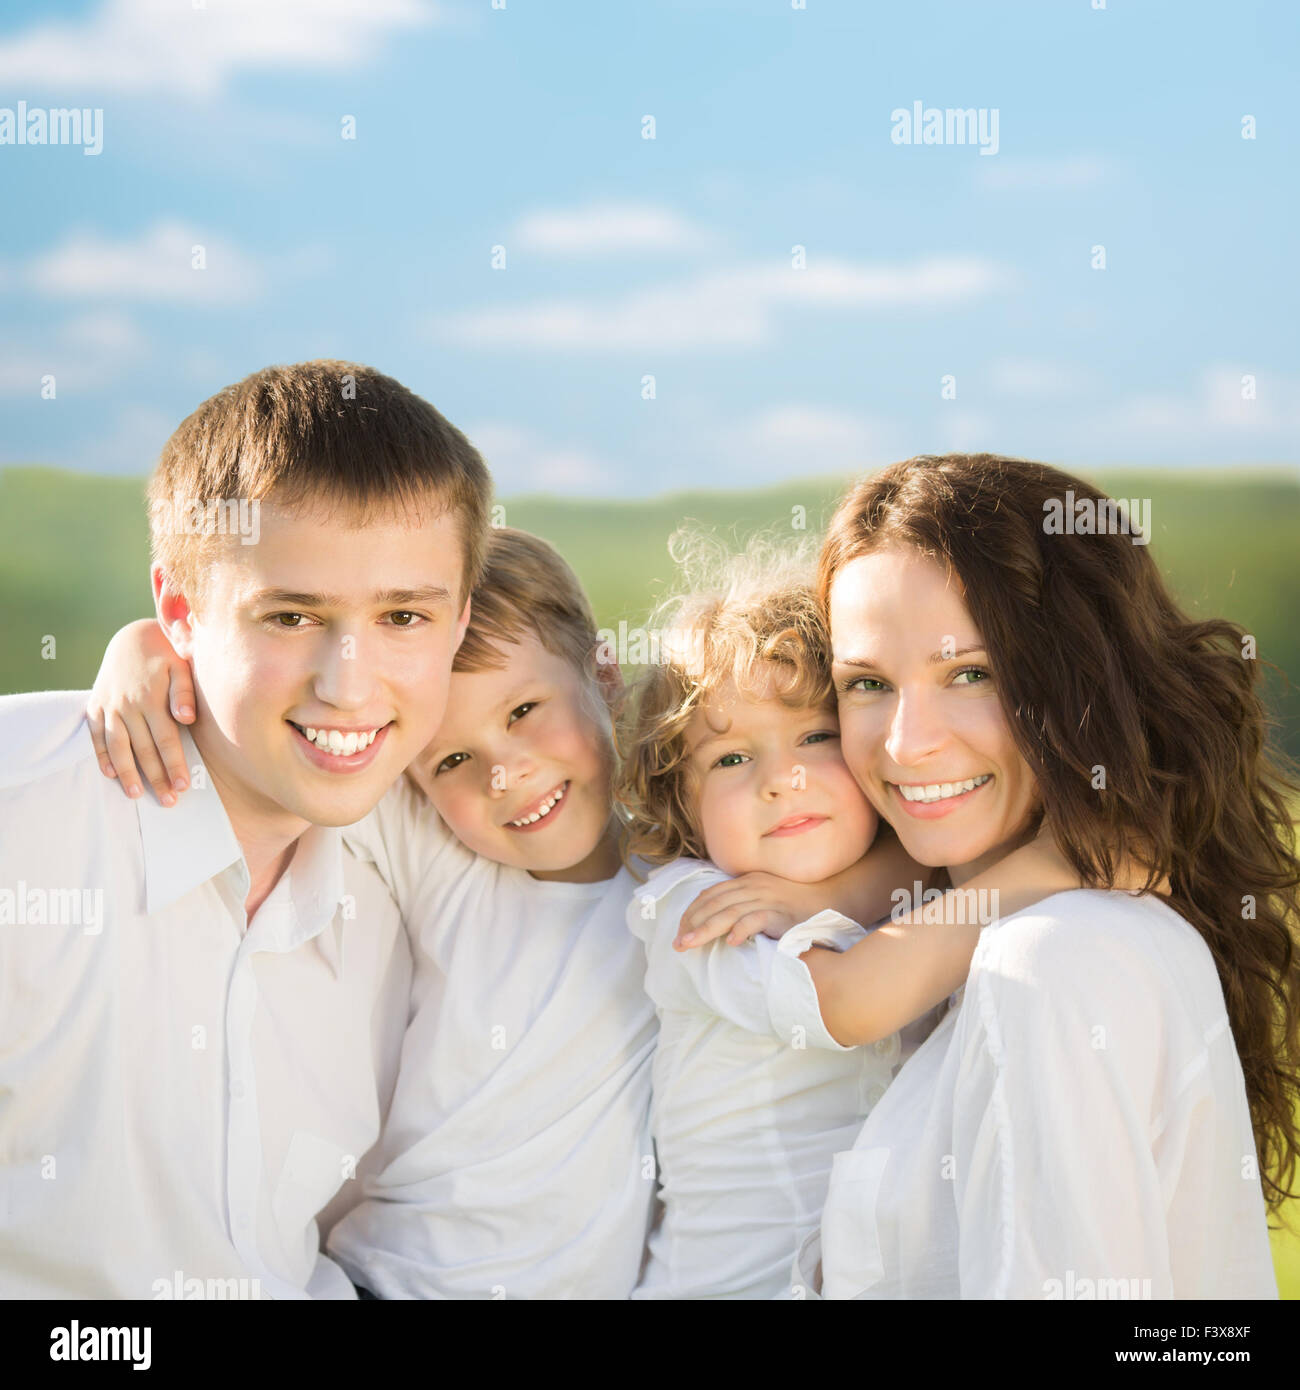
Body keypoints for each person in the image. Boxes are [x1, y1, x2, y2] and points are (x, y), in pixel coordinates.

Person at [0, 360, 492, 1298]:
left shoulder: (420, 894)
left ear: (459, 621)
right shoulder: (20, 821)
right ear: (178, 614)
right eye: (292, 615)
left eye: (404, 616)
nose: (349, 684)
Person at [86, 529, 660, 1299]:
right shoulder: (443, 856)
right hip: (386, 1282)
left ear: (604, 672)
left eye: (524, 709)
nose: (504, 773)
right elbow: (280, 753)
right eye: (452, 760)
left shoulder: (688, 884)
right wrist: (146, 647)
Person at [778, 453, 1296, 1298]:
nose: (907, 744)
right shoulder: (980, 945)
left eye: (970, 674)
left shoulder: (1054, 960)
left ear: (1080, 676)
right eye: (867, 683)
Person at [615, 532, 990, 1298]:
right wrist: (1039, 878)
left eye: (814, 737)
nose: (781, 781)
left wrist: (823, 901)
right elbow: (847, 1002)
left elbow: (915, 871)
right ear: (681, 808)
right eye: (729, 759)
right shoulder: (693, 910)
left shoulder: (908, 875)